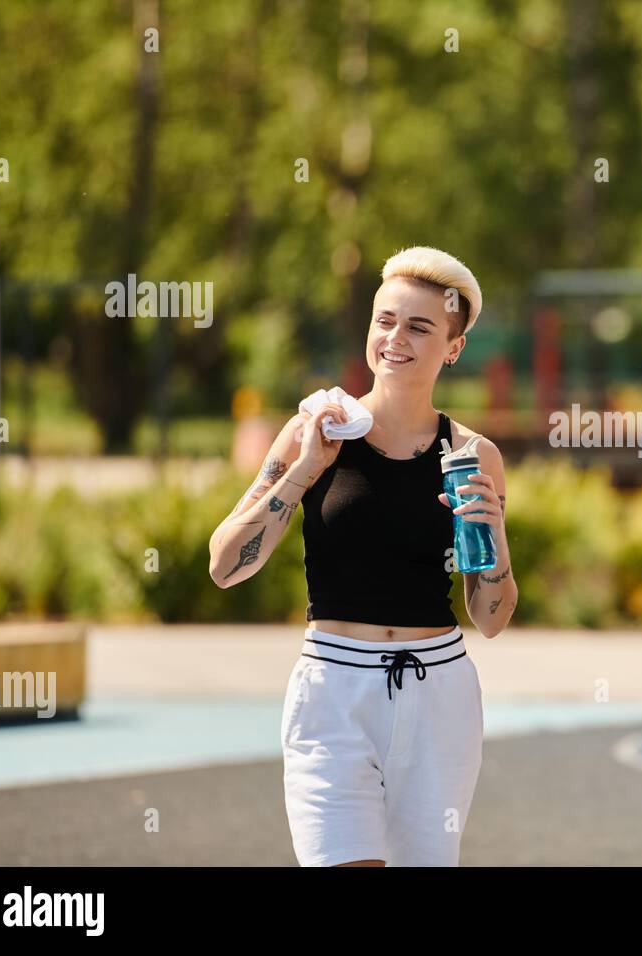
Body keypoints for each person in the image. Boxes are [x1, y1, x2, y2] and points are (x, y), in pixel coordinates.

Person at [208, 246, 517, 866]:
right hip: (333, 695)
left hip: (439, 697)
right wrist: (303, 472)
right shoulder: (315, 430)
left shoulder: (473, 454)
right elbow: (224, 565)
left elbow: (491, 615)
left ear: (453, 346)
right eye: (385, 320)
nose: (395, 338)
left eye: (419, 326)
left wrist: (492, 531)